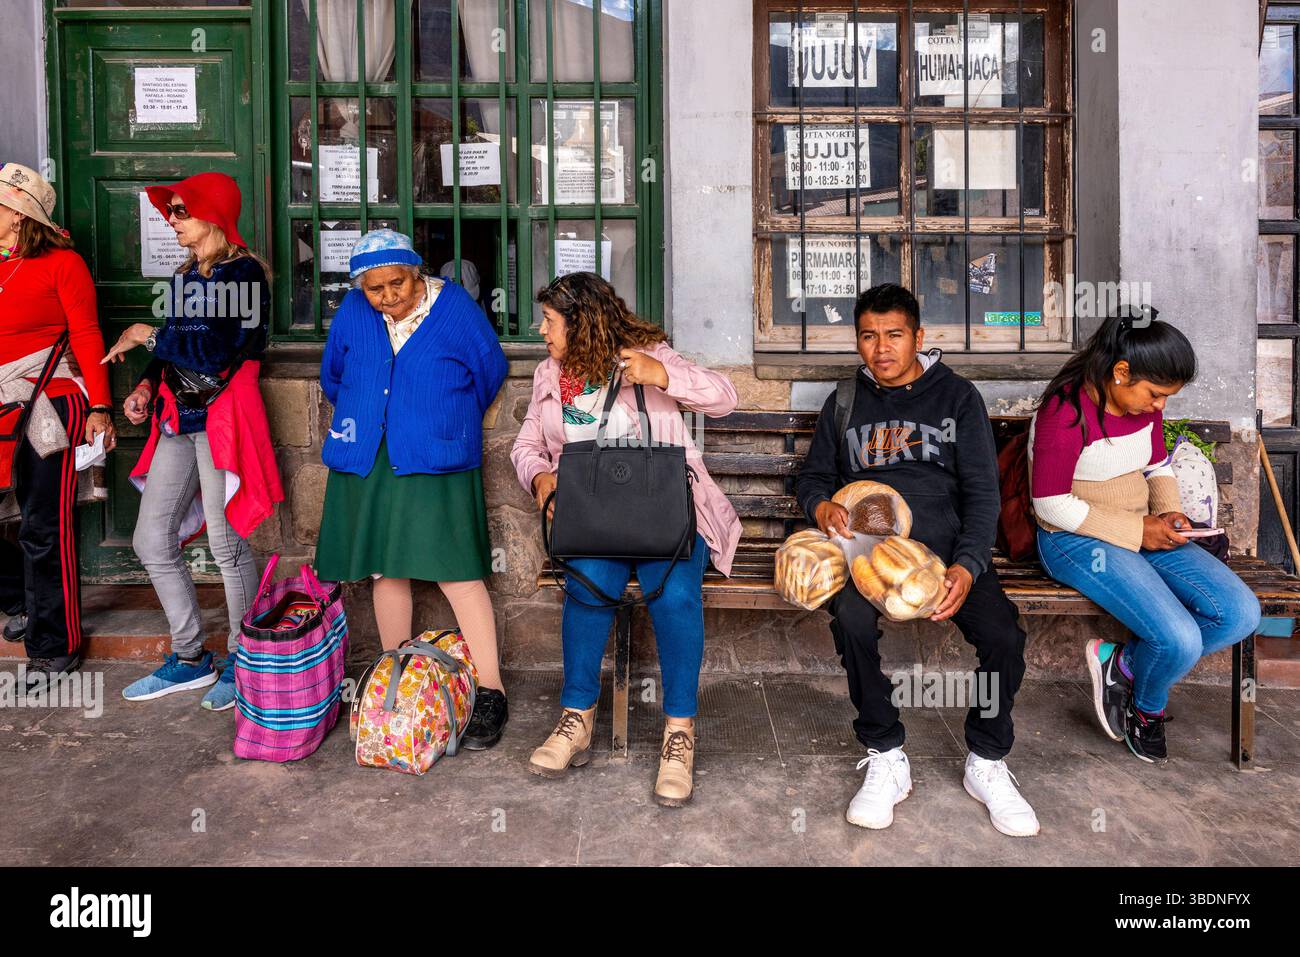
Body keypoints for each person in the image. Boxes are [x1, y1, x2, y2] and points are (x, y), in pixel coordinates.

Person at [795, 283, 1039, 837]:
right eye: (868, 336)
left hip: (947, 552)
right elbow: (811, 477)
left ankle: (987, 758)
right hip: (869, 555)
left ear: (919, 337)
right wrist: (823, 504)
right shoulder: (846, 401)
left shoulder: (956, 398)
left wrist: (968, 564)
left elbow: (982, 494)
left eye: (895, 335)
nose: (881, 348)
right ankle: (885, 752)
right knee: (852, 620)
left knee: (1003, 636)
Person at [510, 271, 742, 806]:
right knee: (589, 587)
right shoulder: (550, 375)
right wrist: (540, 476)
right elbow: (527, 444)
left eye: (549, 320)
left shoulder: (643, 357)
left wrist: (661, 374)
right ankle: (577, 719)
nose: (541, 330)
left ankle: (679, 733)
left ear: (581, 321)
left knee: (678, 595)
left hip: (666, 517)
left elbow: (724, 398)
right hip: (595, 520)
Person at [1030, 308, 1261, 764]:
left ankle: (1127, 665)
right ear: (1120, 372)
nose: (1160, 407)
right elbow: (1051, 505)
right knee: (1177, 638)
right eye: (1155, 394)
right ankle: (1145, 710)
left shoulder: (1143, 409)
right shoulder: (1065, 413)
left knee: (1239, 614)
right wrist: (1137, 531)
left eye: (1166, 398)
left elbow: (1156, 465)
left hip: (1141, 530)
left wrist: (1169, 510)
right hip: (1074, 538)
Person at [315, 229, 511, 750]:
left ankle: (491, 691)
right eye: (374, 288)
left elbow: (489, 370)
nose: (387, 297)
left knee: (459, 572)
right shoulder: (355, 313)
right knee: (387, 566)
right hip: (370, 458)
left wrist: (437, 418)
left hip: (437, 455)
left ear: (417, 272)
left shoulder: (456, 310)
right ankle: (398, 680)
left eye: (396, 283)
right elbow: (333, 376)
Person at [105, 172, 283, 711]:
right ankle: (188, 657)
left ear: (214, 214)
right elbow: (179, 347)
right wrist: (144, 381)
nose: (173, 219)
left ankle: (245, 658)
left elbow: (215, 354)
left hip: (223, 417)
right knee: (150, 540)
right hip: (179, 418)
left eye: (183, 210)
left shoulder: (246, 274)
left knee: (227, 545)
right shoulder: (187, 273)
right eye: (172, 211)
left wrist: (146, 334)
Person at [0, 162, 116, 690]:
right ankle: (17, 599)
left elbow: (88, 334)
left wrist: (101, 407)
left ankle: (54, 642)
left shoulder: (61, 264)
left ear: (22, 217)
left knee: (44, 526)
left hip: (50, 404)